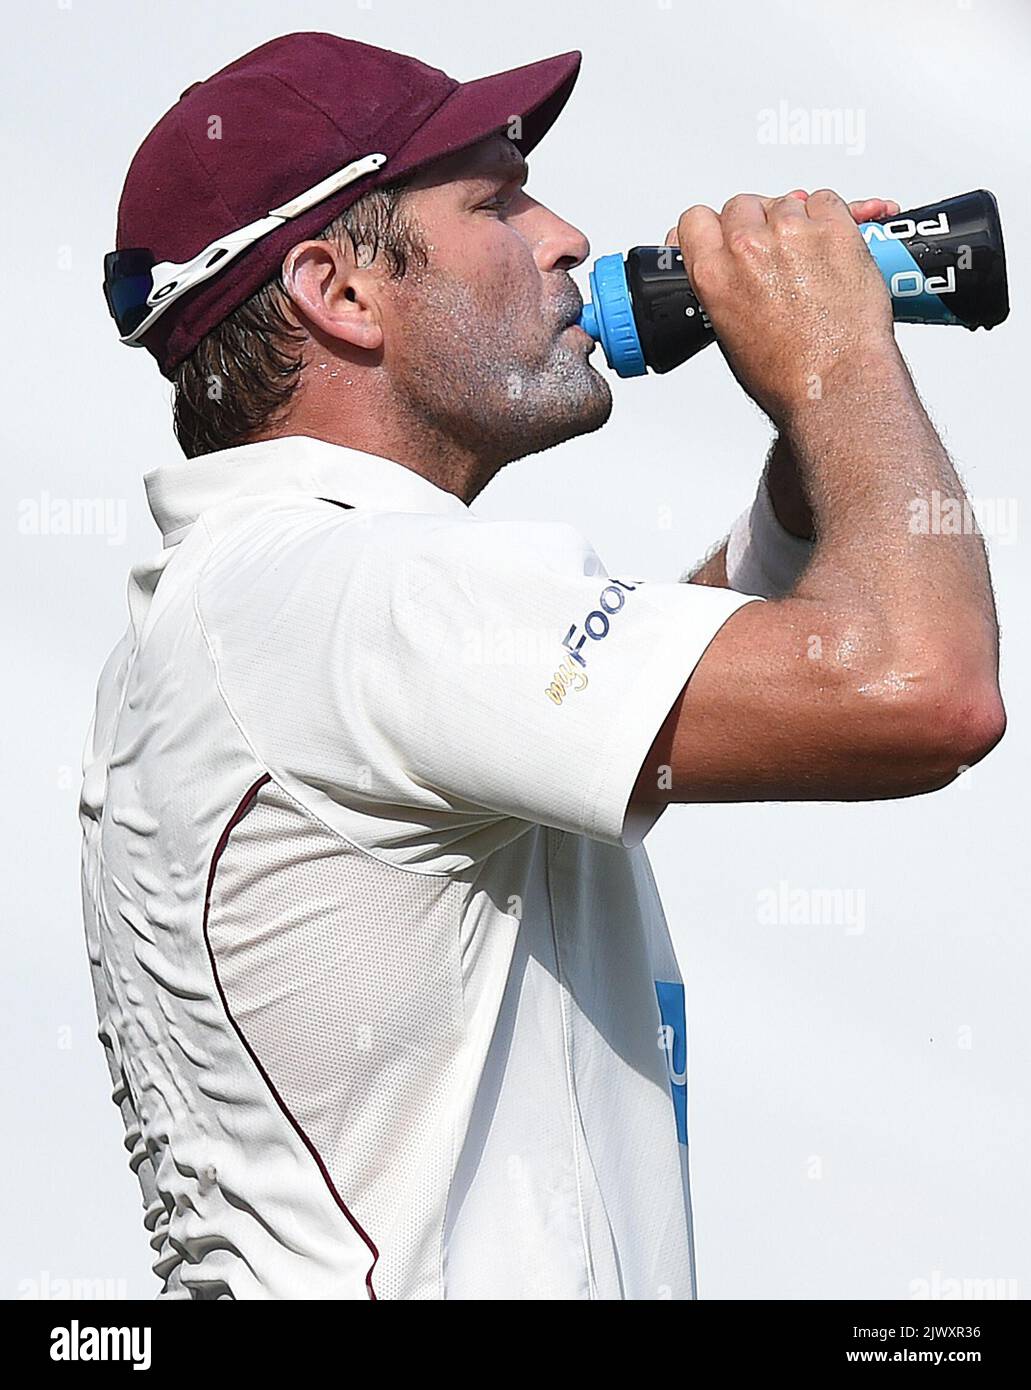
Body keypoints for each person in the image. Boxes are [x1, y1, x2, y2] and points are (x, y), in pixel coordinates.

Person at [81, 31, 1005, 1301]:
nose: (566, 233)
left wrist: (809, 433)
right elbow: (921, 689)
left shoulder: (263, 598)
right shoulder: (359, 592)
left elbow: (655, 683)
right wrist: (837, 355)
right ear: (336, 291)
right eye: (495, 198)